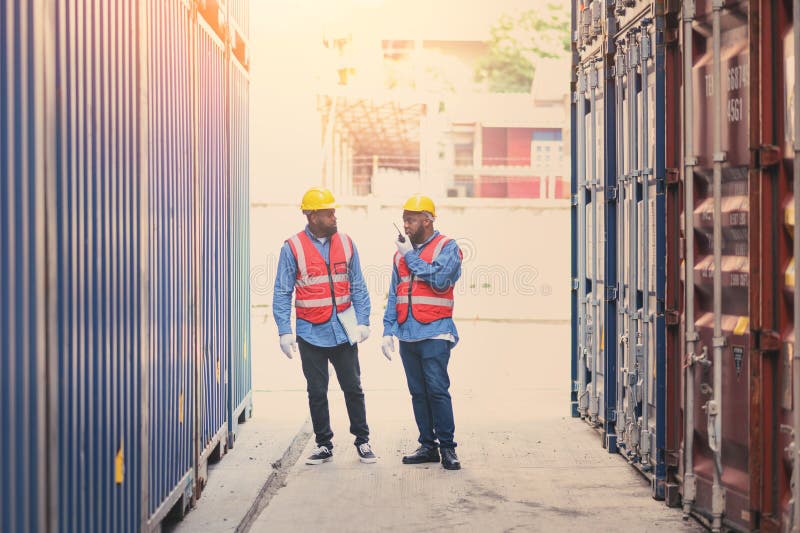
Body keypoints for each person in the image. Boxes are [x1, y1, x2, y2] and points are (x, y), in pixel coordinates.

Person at [273, 187, 376, 465]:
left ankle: (362, 440)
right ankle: (324, 443)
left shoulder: (346, 242)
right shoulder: (292, 247)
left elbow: (358, 285)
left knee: (353, 388)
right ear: (312, 215)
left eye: (334, 212)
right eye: (328, 213)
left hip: (343, 330)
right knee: (317, 391)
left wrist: (364, 321)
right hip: (310, 332)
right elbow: (282, 291)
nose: (334, 217)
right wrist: (284, 330)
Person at [381, 194, 463, 470]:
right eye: (404, 219)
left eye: (411, 220)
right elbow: (395, 293)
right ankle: (428, 446)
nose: (405, 225)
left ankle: (448, 448)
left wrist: (410, 256)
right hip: (408, 334)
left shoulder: (447, 247)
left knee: (438, 391)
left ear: (427, 221)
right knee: (418, 392)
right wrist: (387, 330)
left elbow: (440, 279)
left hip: (435, 332)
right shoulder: (400, 255)